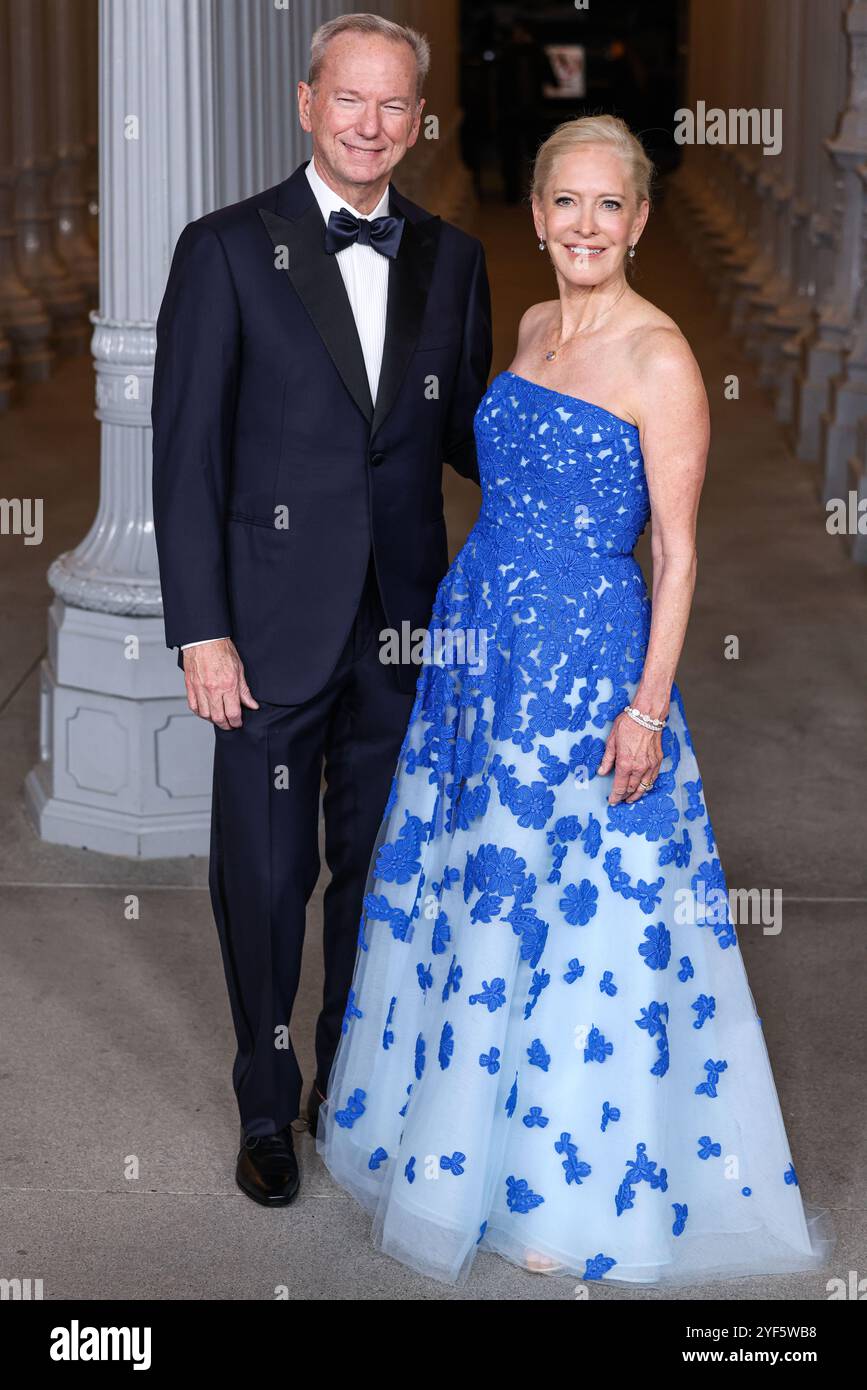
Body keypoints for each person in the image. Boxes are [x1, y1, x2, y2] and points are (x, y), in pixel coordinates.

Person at [317, 114, 836, 1287]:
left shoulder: (661, 359)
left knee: (572, 917)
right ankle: (457, 1155)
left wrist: (646, 709)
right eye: (567, 202)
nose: (587, 224)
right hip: (479, 647)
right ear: (538, 211)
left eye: (611, 205)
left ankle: (565, 1189)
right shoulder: (537, 321)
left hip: (582, 670)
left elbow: (681, 555)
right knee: (469, 886)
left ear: (641, 221)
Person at [151, 14, 492, 1207]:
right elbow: (185, 456)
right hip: (263, 628)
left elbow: (469, 439)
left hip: (405, 625)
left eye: (394, 105)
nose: (370, 124)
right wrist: (201, 627)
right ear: (308, 105)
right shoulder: (226, 250)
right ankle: (264, 1091)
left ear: (417, 119)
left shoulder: (454, 259)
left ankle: (344, 1064)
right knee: (263, 868)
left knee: (375, 866)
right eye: (350, 99)